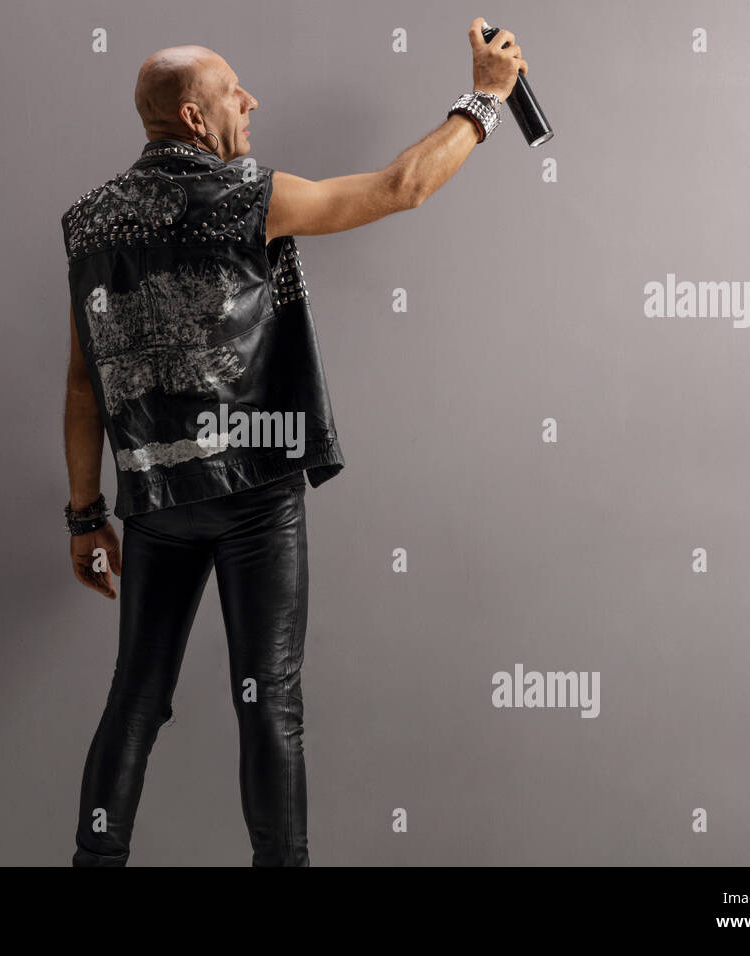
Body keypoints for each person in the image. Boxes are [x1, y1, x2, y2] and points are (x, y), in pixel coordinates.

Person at [61, 17, 527, 866]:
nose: (252, 99)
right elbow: (399, 188)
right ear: (197, 120)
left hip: (156, 503)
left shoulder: (90, 222)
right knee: (268, 702)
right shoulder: (245, 197)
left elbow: (84, 381)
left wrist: (84, 517)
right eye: (233, 90)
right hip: (251, 493)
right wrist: (485, 99)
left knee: (135, 697)